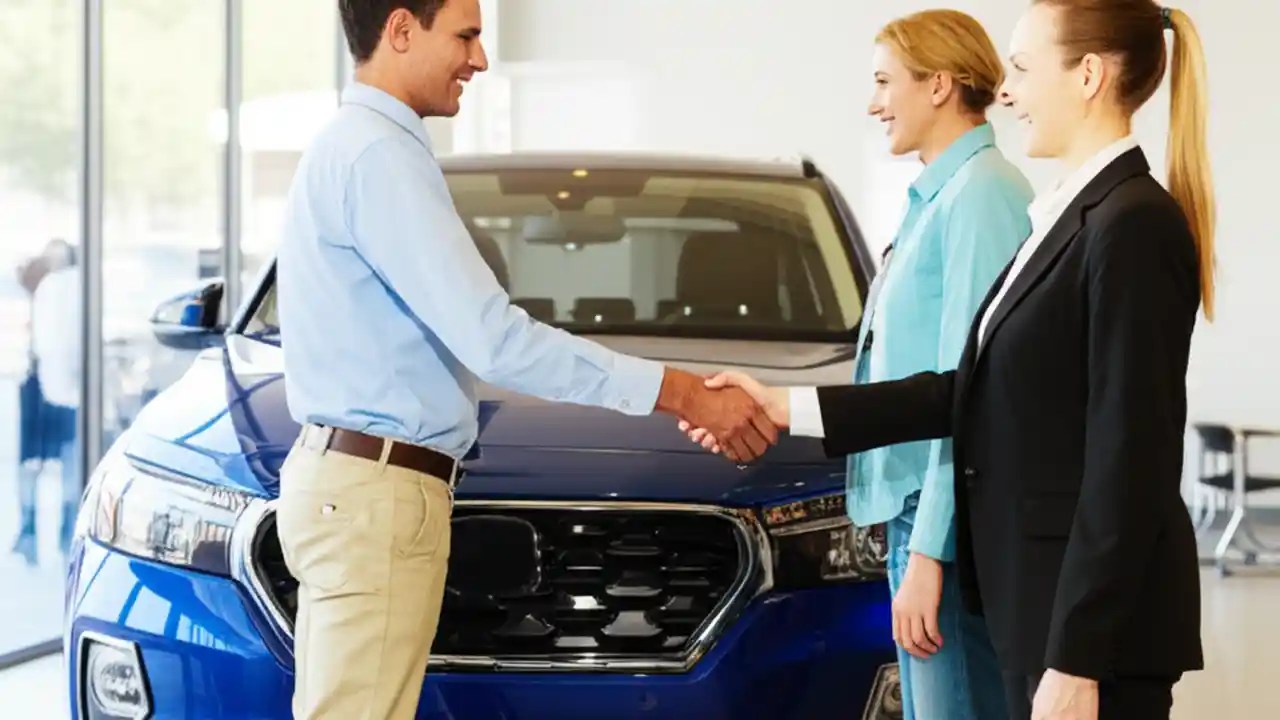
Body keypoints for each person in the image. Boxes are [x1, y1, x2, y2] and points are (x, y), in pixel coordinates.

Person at [684, 2, 1211, 718]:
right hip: (1040, 608)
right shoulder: (1069, 215)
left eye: (1023, 70)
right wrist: (787, 404)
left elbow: (1132, 461)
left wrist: (1077, 659)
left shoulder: (1132, 225)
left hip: (1091, 637)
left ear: (1088, 76)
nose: (1007, 92)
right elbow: (972, 392)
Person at [273, 1, 775, 718]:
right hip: (374, 498)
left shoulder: (359, 147)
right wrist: (683, 393)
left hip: (359, 489)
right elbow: (494, 339)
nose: (479, 60)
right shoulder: (377, 155)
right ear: (402, 30)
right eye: (467, 36)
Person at [815, 10, 1033, 719]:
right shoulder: (940, 196)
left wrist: (929, 556)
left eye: (884, 82)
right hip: (916, 518)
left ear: (939, 85)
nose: (873, 102)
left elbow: (964, 394)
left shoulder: (982, 197)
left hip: (940, 522)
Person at [11, 239, 81, 566]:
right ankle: (60, 532)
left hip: (48, 386)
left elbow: (49, 344)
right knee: (66, 458)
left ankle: (34, 532)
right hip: (58, 387)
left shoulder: (55, 288)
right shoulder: (68, 287)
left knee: (38, 462)